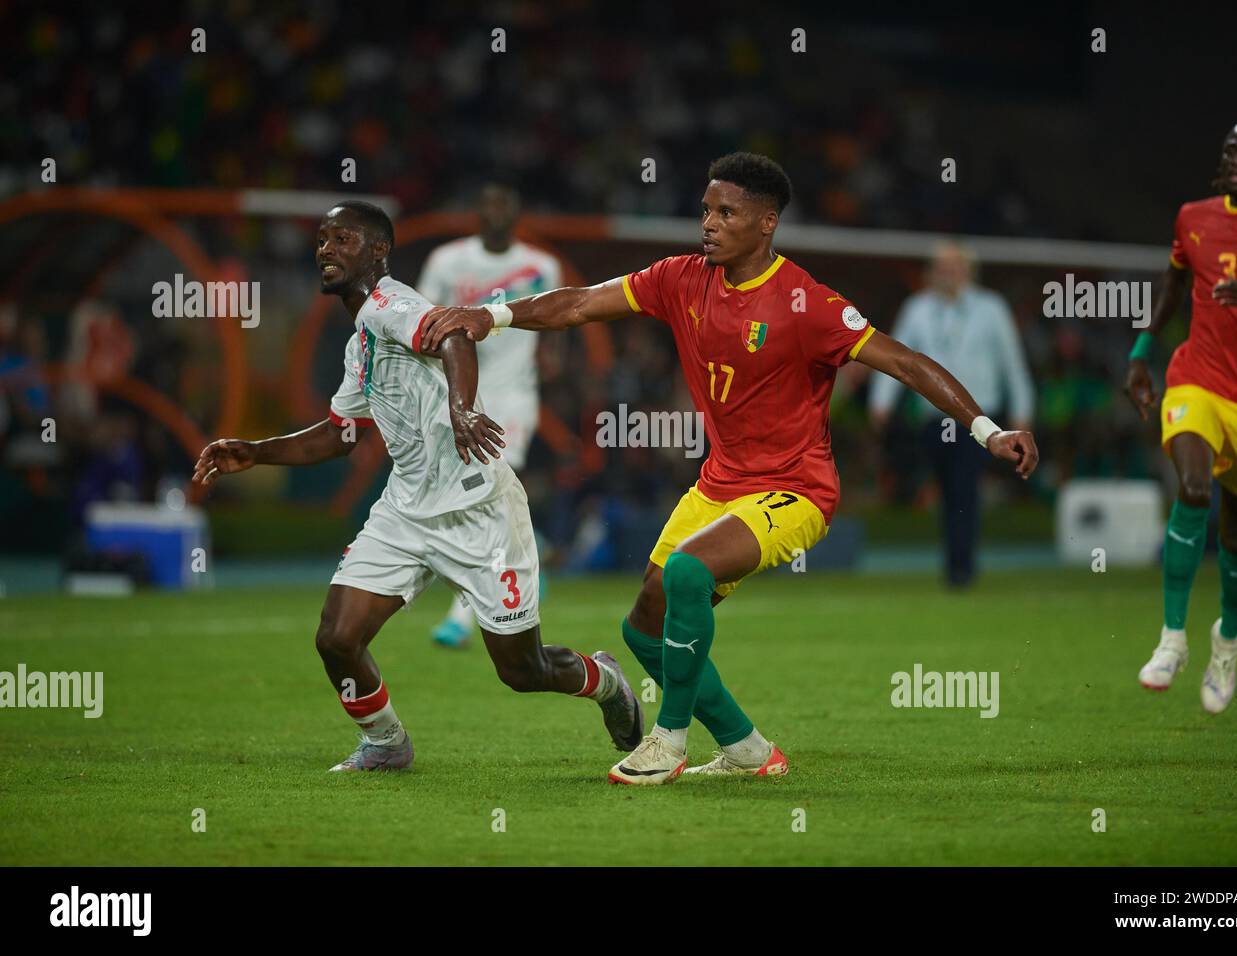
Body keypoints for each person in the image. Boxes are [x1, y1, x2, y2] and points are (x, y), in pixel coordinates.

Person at [423, 153, 1039, 785]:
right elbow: (579, 303)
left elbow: (906, 363)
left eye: (726, 213)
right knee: (643, 629)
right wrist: (491, 316)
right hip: (720, 483)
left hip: (797, 490)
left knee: (689, 573)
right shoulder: (681, 278)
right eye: (706, 210)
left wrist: (988, 430)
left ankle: (668, 741)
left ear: (766, 222)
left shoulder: (807, 302)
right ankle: (747, 748)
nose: (708, 224)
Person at [192, 201, 641, 772]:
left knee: (522, 671)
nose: (326, 249)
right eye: (323, 239)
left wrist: (460, 409)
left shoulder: (391, 305)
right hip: (405, 510)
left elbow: (455, 336)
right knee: (337, 637)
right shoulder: (362, 342)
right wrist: (255, 452)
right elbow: (338, 435)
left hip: (480, 509)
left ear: (378, 251)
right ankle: (385, 743)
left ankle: (605, 681)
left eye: (343, 239)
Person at [1126, 119, 1237, 713]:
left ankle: (1225, 641)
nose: (1236, 156)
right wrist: (1142, 353)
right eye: (1229, 147)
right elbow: (1173, 285)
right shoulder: (1193, 217)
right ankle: (1172, 637)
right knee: (1195, 488)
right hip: (1197, 377)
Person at [417, 182, 562, 648]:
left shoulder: (542, 266)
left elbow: (557, 319)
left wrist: (553, 357)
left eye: (505, 205)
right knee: (478, 500)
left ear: (517, 212)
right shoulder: (446, 262)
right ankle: (530, 557)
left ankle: (463, 615)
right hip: (458, 398)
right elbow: (417, 324)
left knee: (491, 493)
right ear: (476, 212)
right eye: (488, 205)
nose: (497, 212)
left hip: (514, 397)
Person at [868, 241, 1034, 587]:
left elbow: (1012, 363)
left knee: (963, 487)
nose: (947, 273)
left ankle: (961, 569)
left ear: (969, 271)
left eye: (954, 266)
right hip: (932, 419)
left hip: (978, 418)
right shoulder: (917, 308)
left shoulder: (991, 308)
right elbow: (897, 356)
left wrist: (1021, 411)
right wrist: (881, 401)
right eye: (941, 267)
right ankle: (955, 561)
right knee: (945, 489)